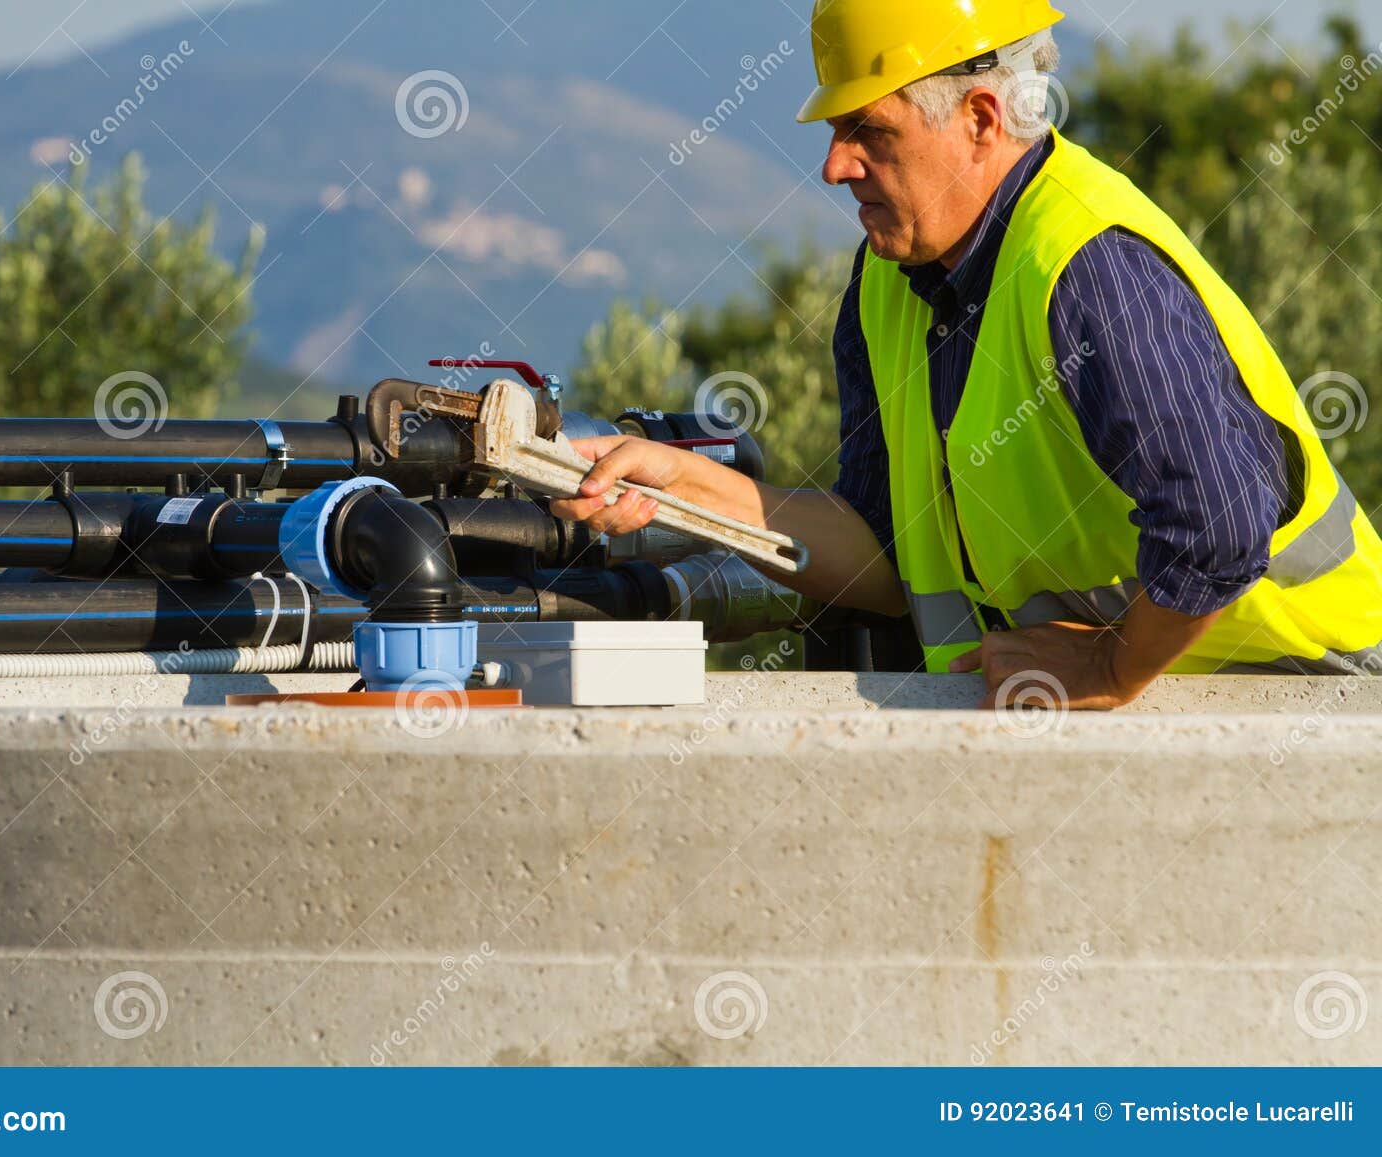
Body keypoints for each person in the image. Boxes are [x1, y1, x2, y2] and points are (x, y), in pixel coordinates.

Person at [551, 0, 1382, 708]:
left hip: (1318, 700)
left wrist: (1108, 664)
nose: (836, 165)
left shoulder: (1085, 265)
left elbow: (1219, 522)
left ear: (981, 120)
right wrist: (685, 486)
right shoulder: (887, 282)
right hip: (1155, 721)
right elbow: (884, 555)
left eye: (869, 129)